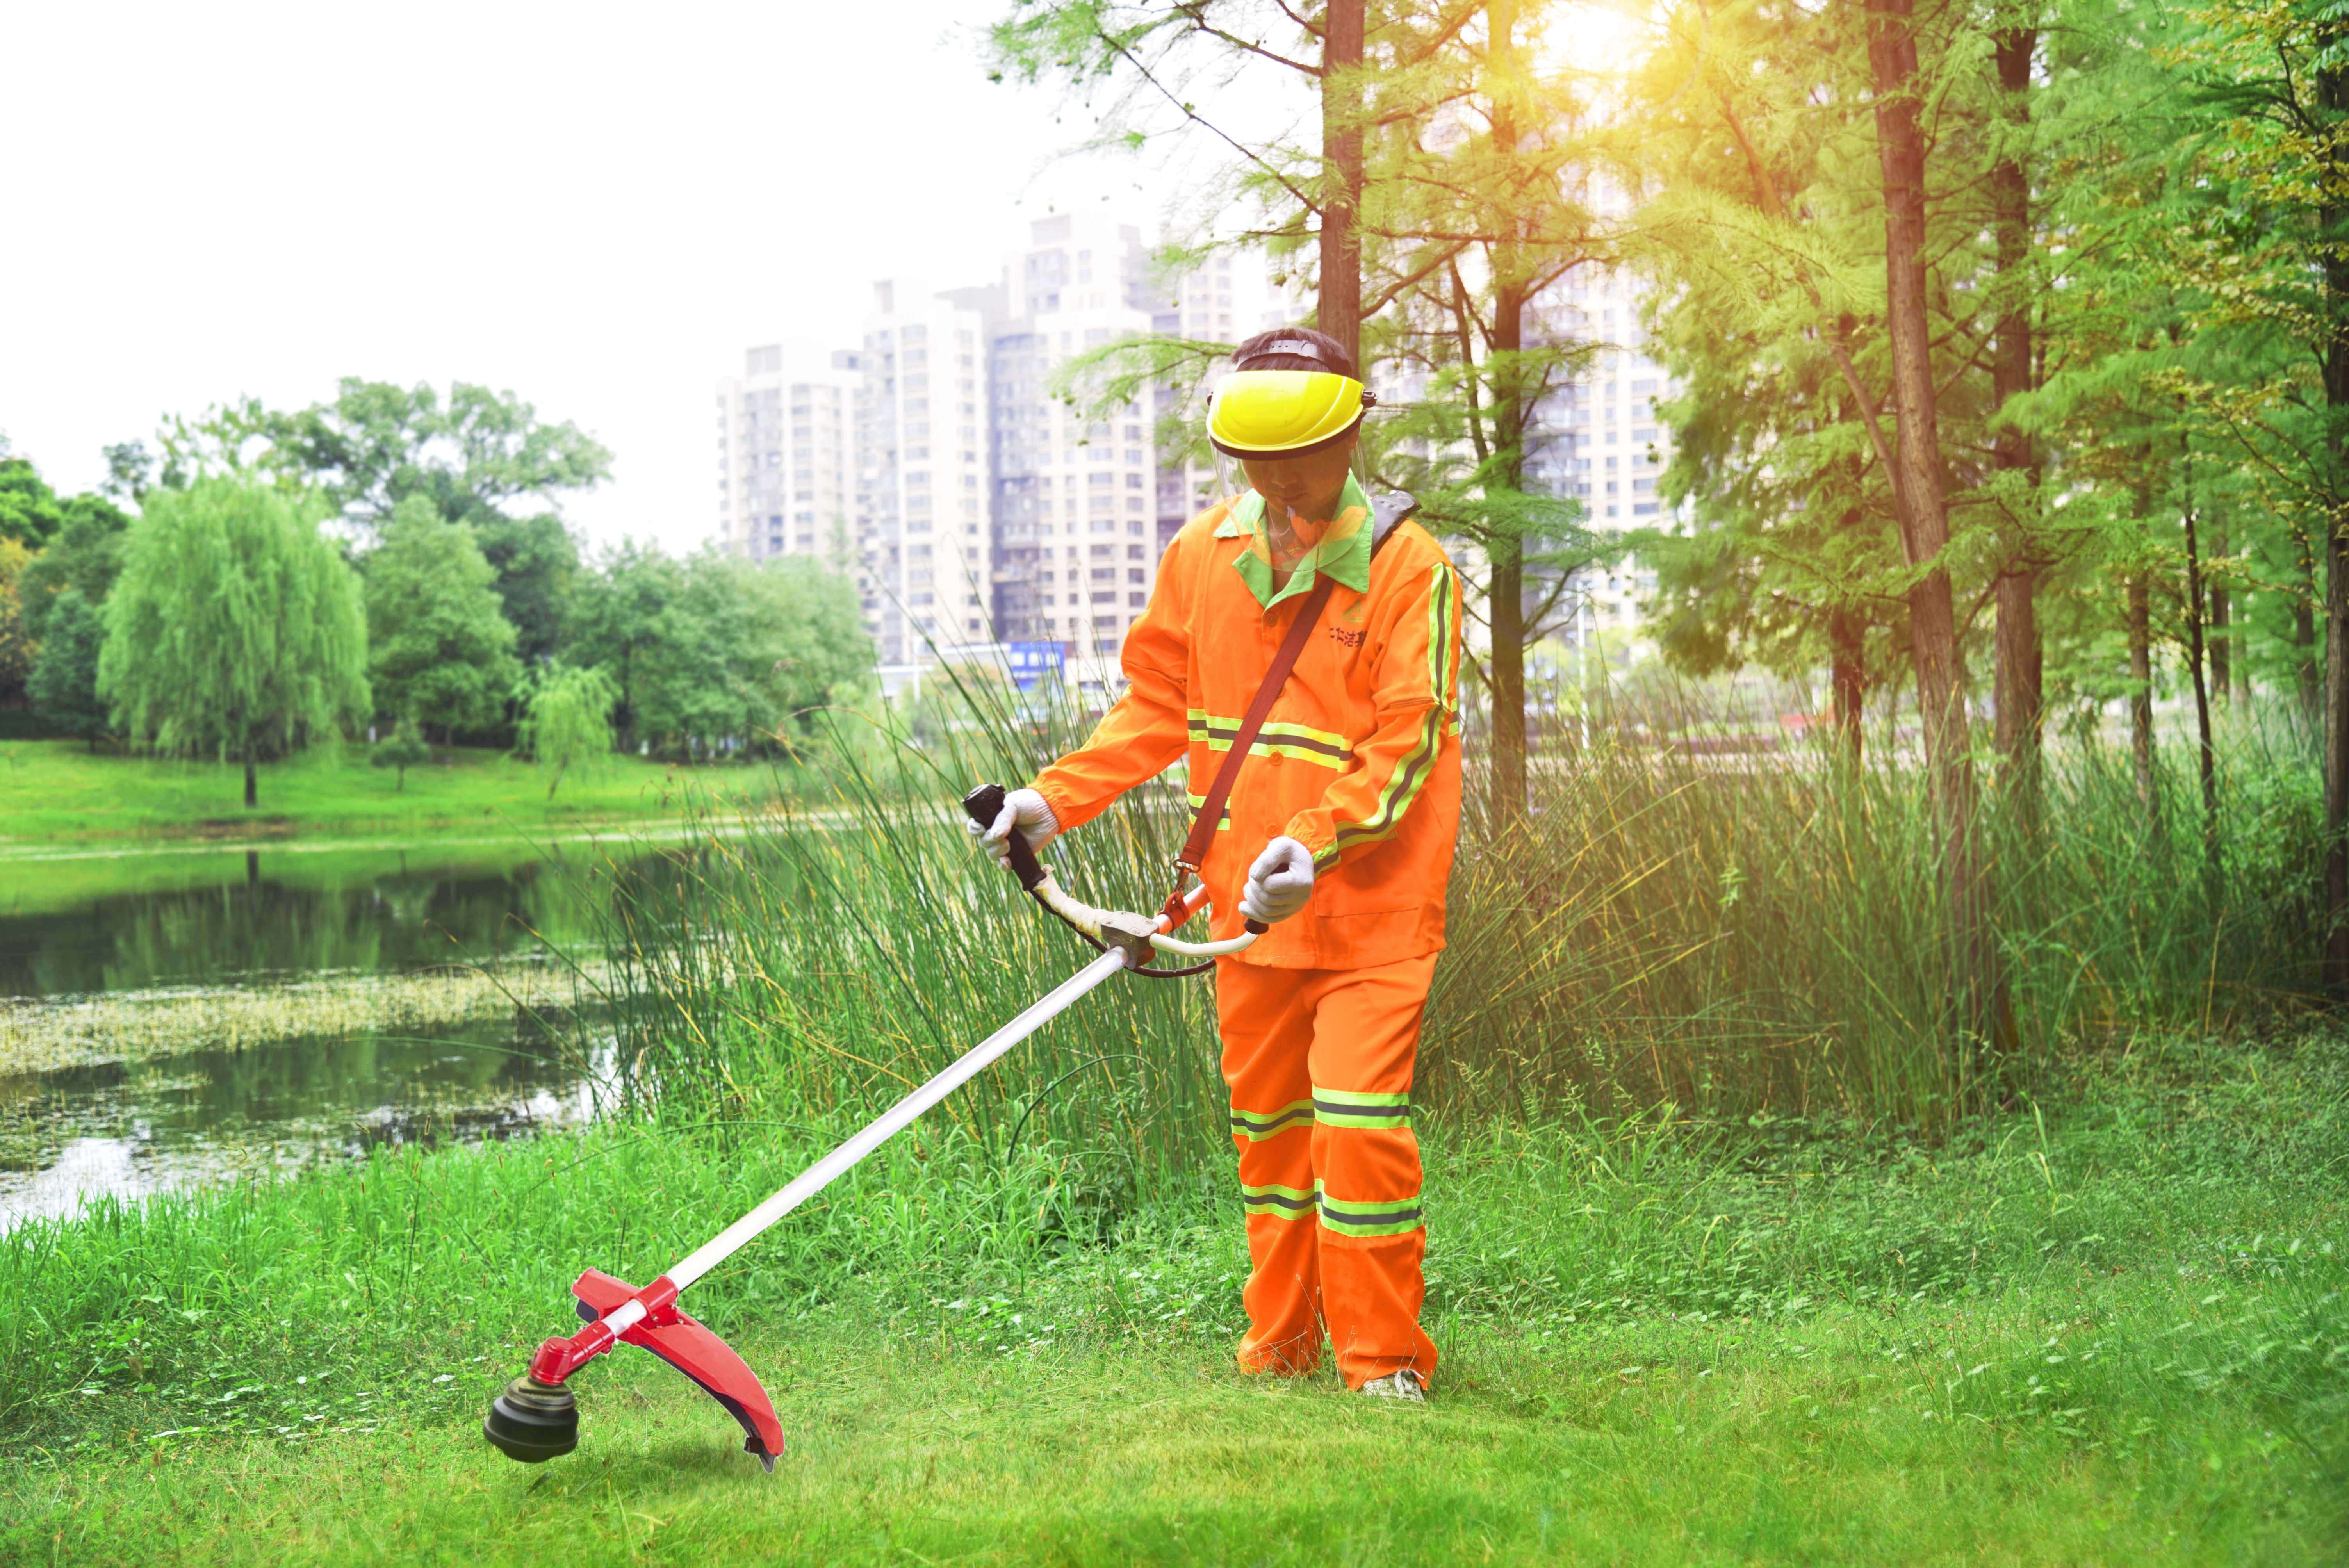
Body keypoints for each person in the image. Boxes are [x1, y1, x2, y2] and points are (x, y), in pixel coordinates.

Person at [970, 328, 1464, 1401]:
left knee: (1357, 1132)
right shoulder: (1201, 553)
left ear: (1350, 437)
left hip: (1371, 919)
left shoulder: (1411, 569)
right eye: (1258, 460)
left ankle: (1383, 1362)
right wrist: (1053, 801)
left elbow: (1408, 742)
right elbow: (1155, 705)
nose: (1280, 482)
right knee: (1271, 1142)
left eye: (1301, 458)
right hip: (1239, 918)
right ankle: (1280, 1347)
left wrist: (1316, 843)